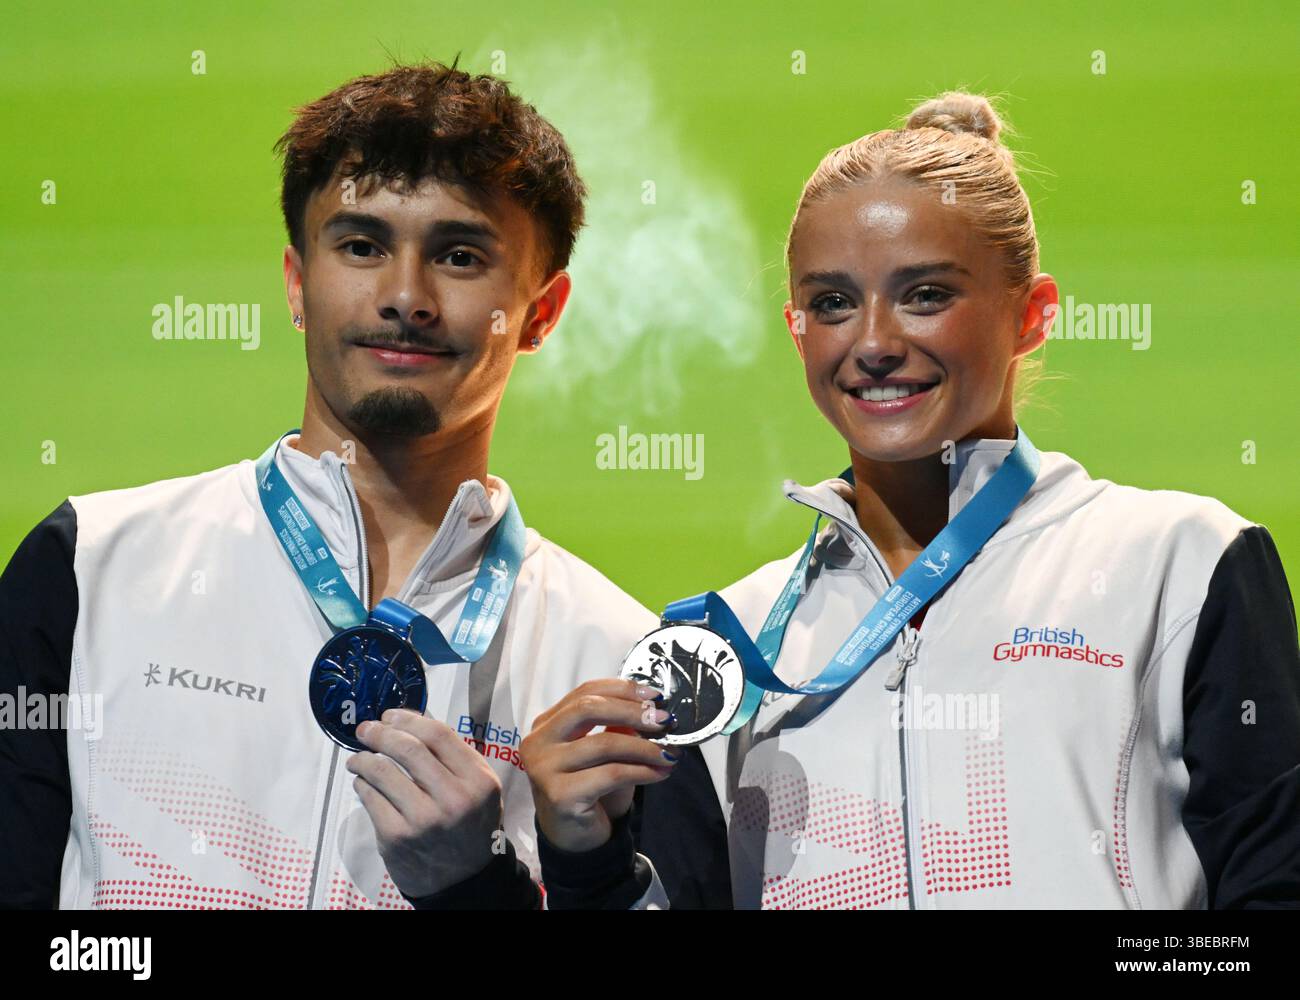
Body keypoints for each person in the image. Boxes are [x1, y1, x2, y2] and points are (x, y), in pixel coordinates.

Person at [521, 91, 1300, 909]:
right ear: (797, 330)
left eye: (926, 294)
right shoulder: (722, 650)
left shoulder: (1180, 563)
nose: (874, 345)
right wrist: (589, 865)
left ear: (1031, 314)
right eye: (832, 303)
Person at [0, 61, 659, 910]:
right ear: (296, 283)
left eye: (459, 255)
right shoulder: (91, 566)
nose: (405, 297)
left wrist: (484, 890)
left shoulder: (613, 665)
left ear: (541, 311)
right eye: (361, 245)